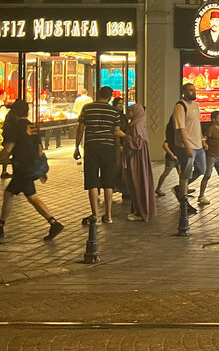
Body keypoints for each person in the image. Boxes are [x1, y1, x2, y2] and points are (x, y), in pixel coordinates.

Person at [0, 99, 63, 241]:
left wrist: (2, 157)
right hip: (29, 167)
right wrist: (41, 170)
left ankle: (53, 222)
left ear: (14, 112)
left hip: (22, 168)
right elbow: (39, 149)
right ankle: (1, 224)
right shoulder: (32, 126)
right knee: (11, 194)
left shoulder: (14, 128)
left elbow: (8, 149)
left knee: (31, 197)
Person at [75, 86, 126, 225]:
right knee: (108, 181)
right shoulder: (114, 111)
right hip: (108, 148)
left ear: (98, 95)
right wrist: (128, 137)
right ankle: (108, 215)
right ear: (110, 97)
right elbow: (116, 131)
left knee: (92, 181)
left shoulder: (87, 108)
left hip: (91, 148)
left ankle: (94, 215)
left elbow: (80, 129)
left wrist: (76, 147)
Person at [174, 82, 206, 215]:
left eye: (194, 90)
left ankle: (180, 188)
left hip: (198, 145)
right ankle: (184, 202)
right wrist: (187, 146)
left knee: (201, 169)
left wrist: (202, 140)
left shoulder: (195, 105)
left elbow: (197, 124)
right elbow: (181, 128)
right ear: (184, 92)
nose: (194, 92)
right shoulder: (180, 106)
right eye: (191, 90)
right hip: (186, 146)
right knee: (186, 173)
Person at [122, 104, 156, 221]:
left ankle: (141, 212)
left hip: (136, 158)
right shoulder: (138, 123)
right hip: (138, 157)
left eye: (130, 111)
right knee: (137, 182)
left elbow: (137, 143)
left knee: (137, 182)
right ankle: (139, 210)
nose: (127, 113)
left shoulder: (136, 125)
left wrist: (124, 136)